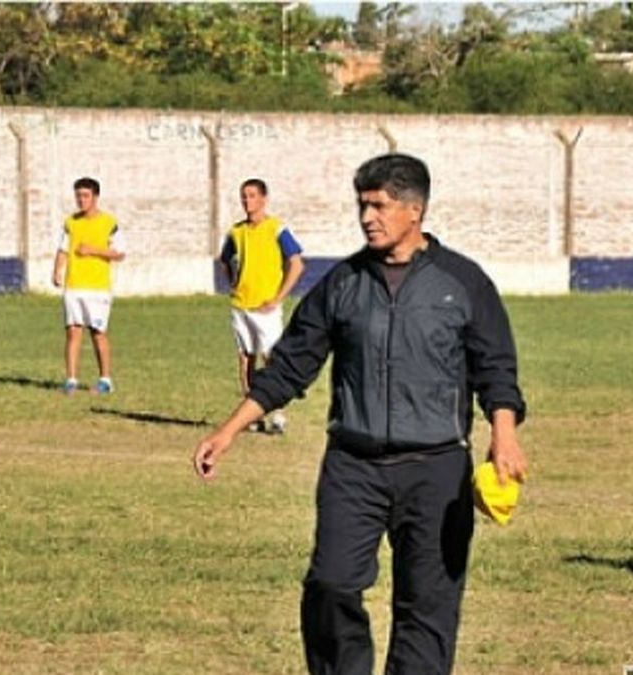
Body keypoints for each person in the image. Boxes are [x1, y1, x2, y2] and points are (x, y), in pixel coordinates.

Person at [193, 153, 529, 674]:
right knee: (330, 584)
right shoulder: (343, 283)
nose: (367, 217)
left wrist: (503, 436)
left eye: (379, 205)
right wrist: (230, 430)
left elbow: (496, 368)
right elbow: (290, 364)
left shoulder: (462, 283)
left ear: (414, 211)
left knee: (427, 607)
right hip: (354, 466)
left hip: (436, 469)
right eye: (362, 205)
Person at [219, 178, 305, 433]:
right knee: (246, 358)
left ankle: (277, 414)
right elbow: (225, 260)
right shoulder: (236, 231)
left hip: (266, 307)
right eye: (244, 196)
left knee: (272, 360)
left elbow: (297, 263)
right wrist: (233, 284)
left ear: (264, 199)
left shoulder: (277, 228)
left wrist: (278, 297)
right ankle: (250, 415)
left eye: (253, 196)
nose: (248, 201)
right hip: (241, 305)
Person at [52, 177, 126, 394]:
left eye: (85, 196)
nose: (81, 200)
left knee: (97, 332)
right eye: (78, 196)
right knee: (73, 331)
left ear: (95, 197)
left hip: (97, 287)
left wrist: (94, 250)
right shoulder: (71, 222)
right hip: (74, 285)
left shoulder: (109, 223)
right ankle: (71, 380)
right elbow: (63, 249)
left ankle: (105, 380)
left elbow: (120, 253)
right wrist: (57, 270)